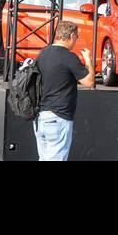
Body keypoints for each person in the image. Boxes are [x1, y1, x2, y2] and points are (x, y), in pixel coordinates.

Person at [34, 21, 93, 161]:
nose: (76, 40)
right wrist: (88, 61)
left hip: (40, 116)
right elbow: (89, 81)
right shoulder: (68, 57)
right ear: (72, 36)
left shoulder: (43, 54)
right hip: (58, 117)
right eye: (76, 37)